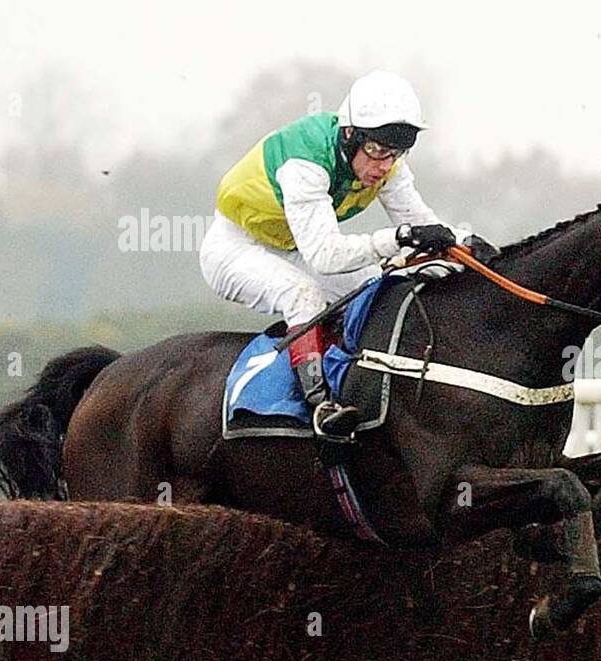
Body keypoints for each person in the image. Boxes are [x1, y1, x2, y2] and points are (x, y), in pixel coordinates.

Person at [200, 70, 495, 439]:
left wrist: (465, 242)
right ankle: (320, 405)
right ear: (349, 135)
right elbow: (326, 256)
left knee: (379, 286)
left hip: (292, 247)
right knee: (301, 295)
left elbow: (420, 222)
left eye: (395, 154)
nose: (384, 166)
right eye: (376, 152)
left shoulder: (386, 162)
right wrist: (399, 238)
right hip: (234, 248)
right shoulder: (304, 164)